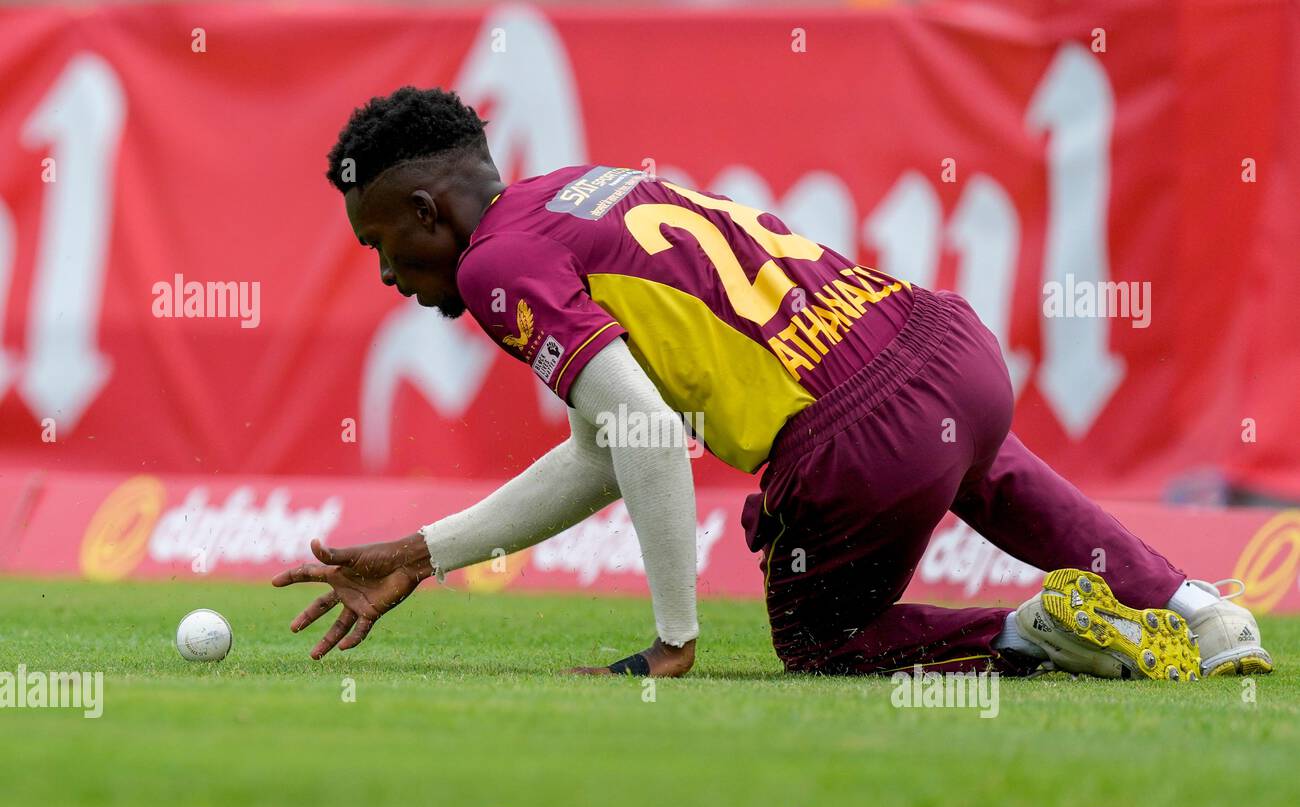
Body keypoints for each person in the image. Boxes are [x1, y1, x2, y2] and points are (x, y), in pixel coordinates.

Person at [272, 86, 1273, 681]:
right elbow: (607, 450)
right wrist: (423, 553)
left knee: (820, 639)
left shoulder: (496, 266)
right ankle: (1199, 611)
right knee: (990, 470)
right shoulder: (570, 190)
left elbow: (646, 434)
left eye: (380, 243)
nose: (388, 274)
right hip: (943, 345)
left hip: (853, 434)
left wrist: (672, 640)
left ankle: (1036, 633)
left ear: (425, 209)